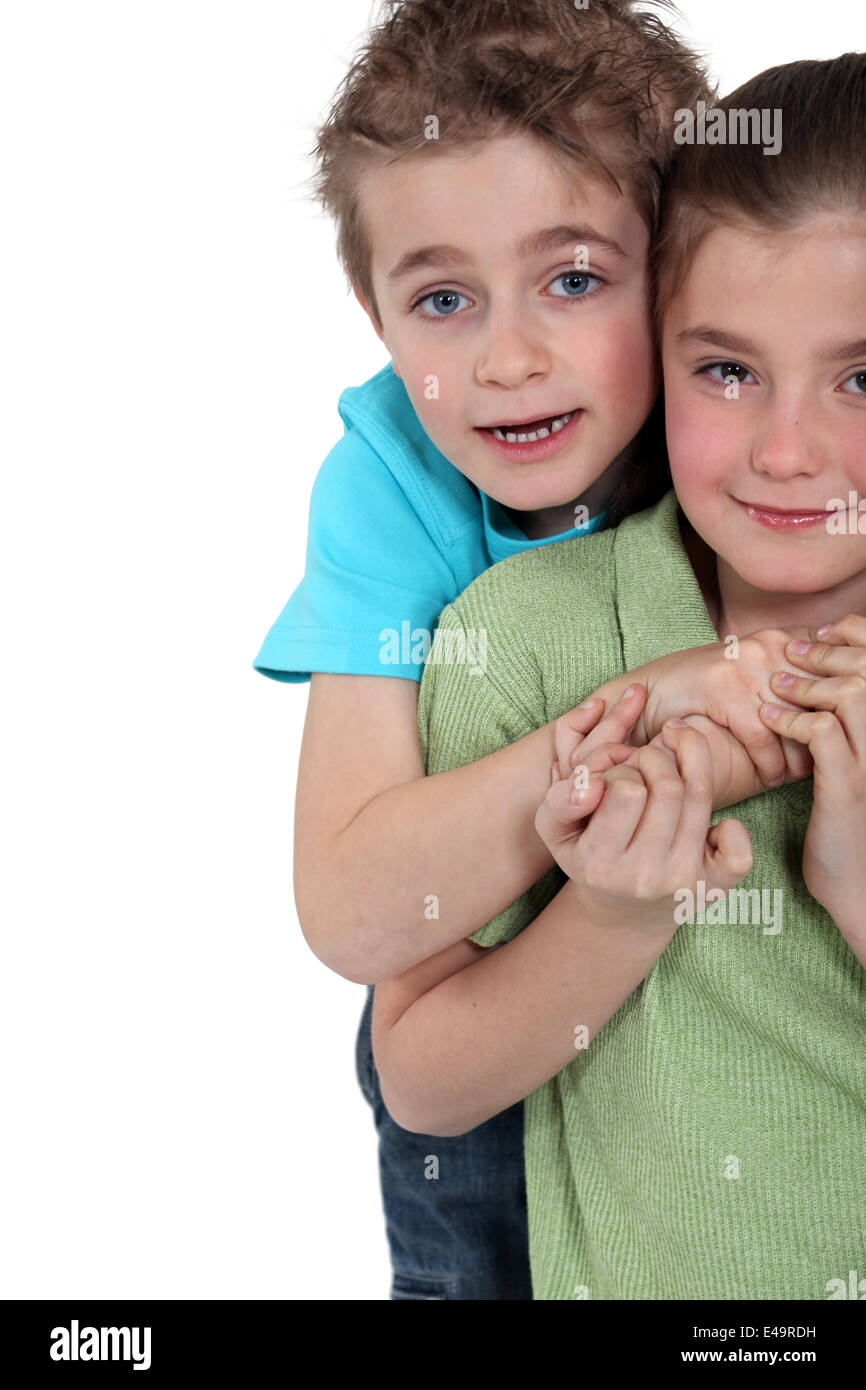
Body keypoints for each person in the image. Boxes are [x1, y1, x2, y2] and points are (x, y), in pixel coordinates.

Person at [373, 53, 866, 1299]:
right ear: (651, 353)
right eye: (724, 370)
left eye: (861, 377)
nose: (787, 447)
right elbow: (422, 1084)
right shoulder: (529, 641)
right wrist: (610, 918)